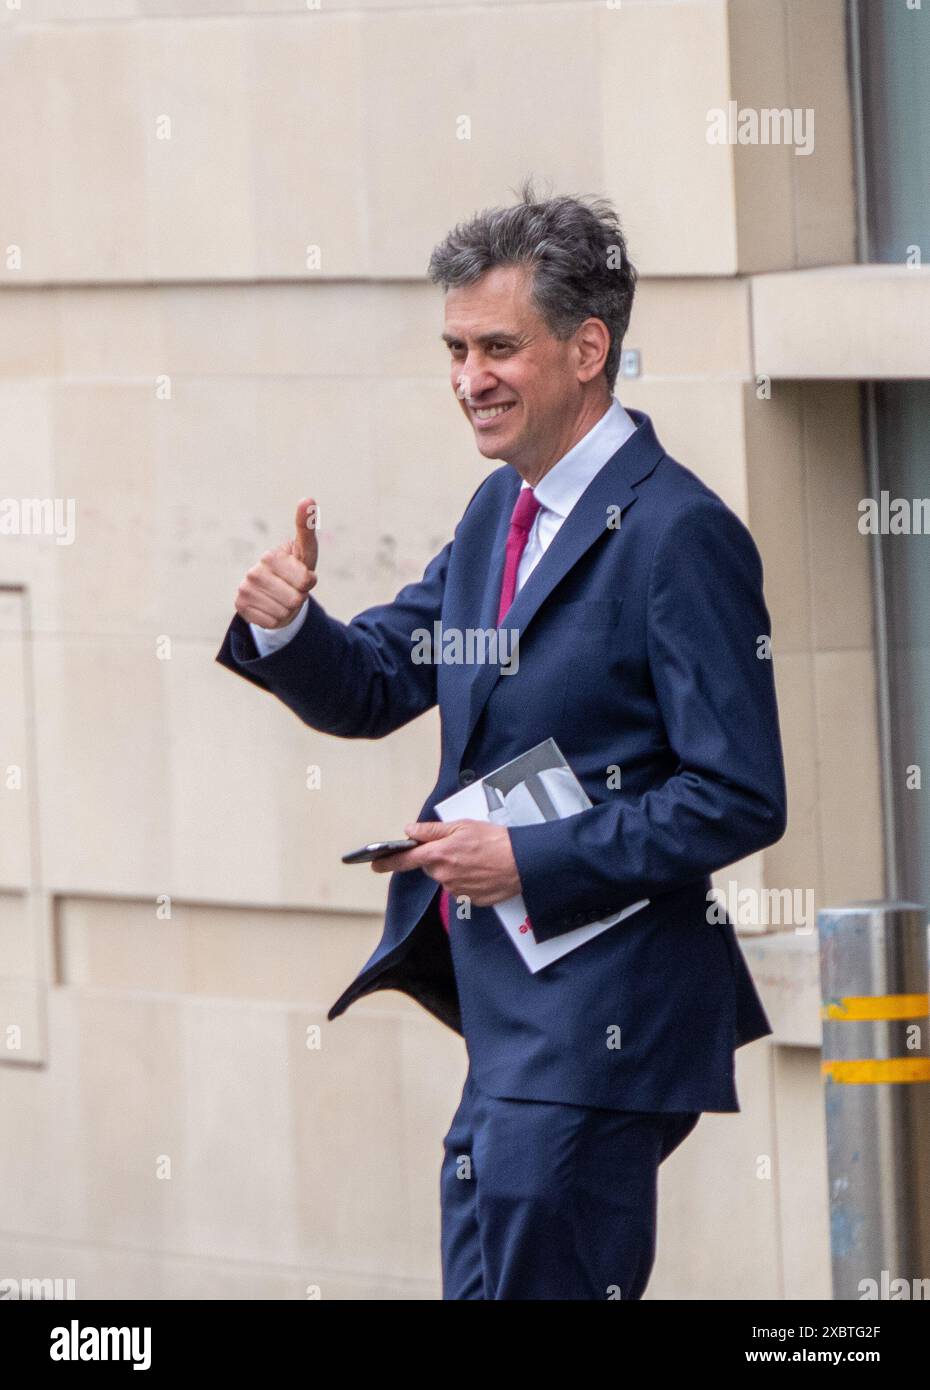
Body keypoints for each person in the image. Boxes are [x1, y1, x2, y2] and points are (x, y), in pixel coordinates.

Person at [215, 178, 788, 1300]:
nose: (469, 380)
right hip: (508, 1013)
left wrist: (528, 856)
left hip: (607, 1017)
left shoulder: (682, 534)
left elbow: (739, 795)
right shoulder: (499, 513)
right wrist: (288, 628)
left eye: (497, 347)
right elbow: (382, 680)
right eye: (454, 350)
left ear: (586, 349)